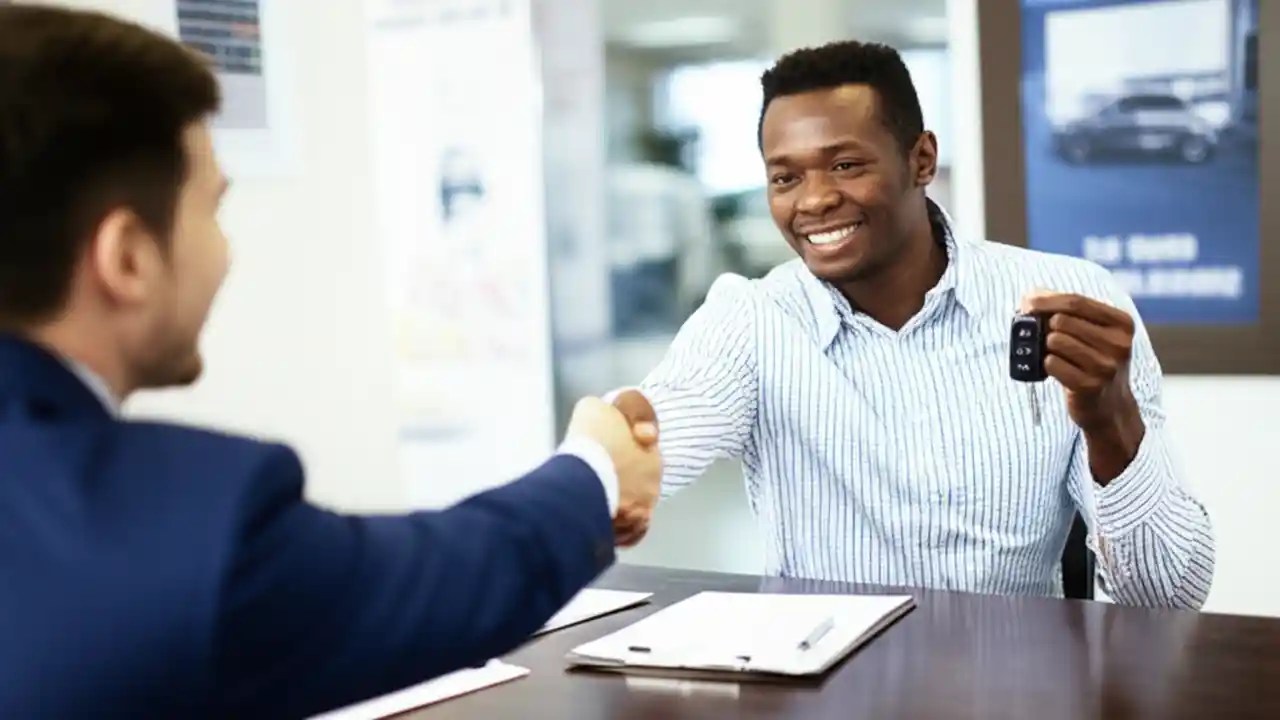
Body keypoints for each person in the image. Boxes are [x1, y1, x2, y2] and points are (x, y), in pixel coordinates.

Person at [0, 6, 661, 718]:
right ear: (128, 258)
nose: (226, 251)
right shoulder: (176, 534)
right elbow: (445, 580)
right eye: (214, 210)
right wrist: (596, 465)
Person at [614, 40, 1214, 608]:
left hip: (1014, 686)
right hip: (828, 690)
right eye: (785, 177)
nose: (814, 200)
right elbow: (643, 441)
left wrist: (1112, 420)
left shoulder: (1070, 298)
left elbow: (1170, 596)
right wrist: (601, 465)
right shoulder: (752, 319)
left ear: (921, 158)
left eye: (845, 164)